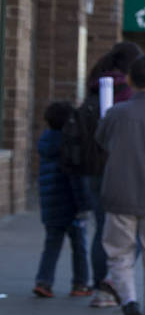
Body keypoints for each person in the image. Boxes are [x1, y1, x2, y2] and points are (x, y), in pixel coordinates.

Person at [95, 55, 145, 315]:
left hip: (120, 192)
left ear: (129, 80)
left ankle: (129, 302)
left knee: (118, 252)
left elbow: (101, 141)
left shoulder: (116, 113)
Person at [80, 40, 142, 308]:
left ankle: (100, 287)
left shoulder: (96, 84)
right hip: (122, 169)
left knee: (101, 229)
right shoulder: (129, 92)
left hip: (91, 166)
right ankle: (111, 281)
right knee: (136, 231)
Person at [33, 101, 90, 299]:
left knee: (51, 245)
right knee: (79, 246)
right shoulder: (69, 146)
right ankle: (80, 283)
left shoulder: (45, 142)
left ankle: (44, 281)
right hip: (70, 205)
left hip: (50, 203)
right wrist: (83, 205)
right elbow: (75, 179)